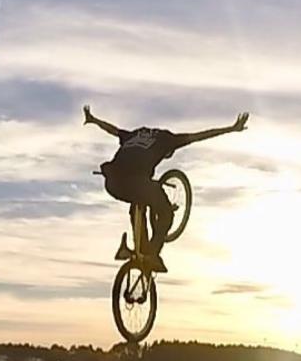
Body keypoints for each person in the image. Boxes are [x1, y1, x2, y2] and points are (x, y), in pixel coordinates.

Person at [84, 105, 248, 272]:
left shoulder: (135, 134)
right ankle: (152, 254)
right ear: (169, 150)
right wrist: (231, 129)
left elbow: (112, 130)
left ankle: (137, 251)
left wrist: (93, 119)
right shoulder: (167, 140)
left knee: (137, 204)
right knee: (165, 212)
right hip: (136, 182)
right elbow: (199, 136)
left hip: (112, 182)